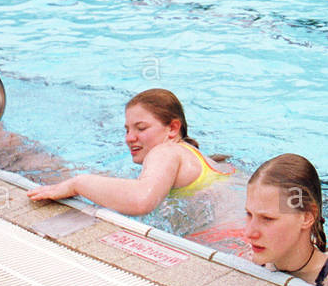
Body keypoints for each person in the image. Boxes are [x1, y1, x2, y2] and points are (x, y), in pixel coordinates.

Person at [28, 89, 233, 215]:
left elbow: (141, 200)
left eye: (141, 128)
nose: (129, 138)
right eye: (127, 130)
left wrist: (77, 184)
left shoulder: (165, 152)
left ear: (172, 128)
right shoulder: (197, 157)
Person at [244, 154, 328, 286]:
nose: (249, 233)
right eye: (249, 214)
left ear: (306, 217)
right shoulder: (251, 258)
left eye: (267, 219)